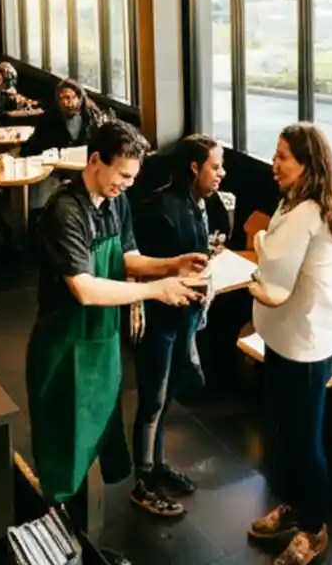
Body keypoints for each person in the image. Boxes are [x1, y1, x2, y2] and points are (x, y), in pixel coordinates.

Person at [27, 120, 207, 565]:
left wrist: (172, 265)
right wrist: (155, 291)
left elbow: (128, 259)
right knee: (65, 454)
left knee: (97, 439)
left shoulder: (116, 201)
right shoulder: (64, 211)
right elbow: (85, 289)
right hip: (64, 348)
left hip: (101, 342)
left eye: (132, 177)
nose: (127, 185)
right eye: (122, 175)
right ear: (94, 161)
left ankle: (85, 545)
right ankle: (57, 549)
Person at [245, 123, 332, 565]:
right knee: (293, 435)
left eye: (282, 158)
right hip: (319, 338)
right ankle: (296, 506)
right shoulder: (329, 205)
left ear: (308, 164)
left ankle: (313, 528)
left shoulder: (306, 214)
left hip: (300, 347)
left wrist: (256, 262)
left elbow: (274, 283)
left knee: (304, 441)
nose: (274, 165)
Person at [128, 134, 227, 517]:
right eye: (215, 166)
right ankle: (142, 482)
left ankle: (156, 464)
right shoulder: (162, 209)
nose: (221, 173)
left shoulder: (200, 205)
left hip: (183, 318)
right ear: (194, 168)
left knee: (166, 398)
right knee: (152, 399)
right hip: (159, 322)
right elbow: (140, 264)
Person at [20, 78, 107, 157]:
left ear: (79, 97)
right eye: (61, 99)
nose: (65, 103)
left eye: (68, 98)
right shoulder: (50, 118)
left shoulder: (93, 116)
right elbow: (35, 143)